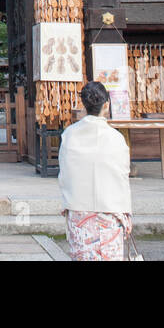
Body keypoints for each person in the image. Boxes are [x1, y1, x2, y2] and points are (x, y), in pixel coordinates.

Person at [58, 81, 133, 261]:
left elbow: (65, 173)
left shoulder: (69, 135)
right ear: (106, 105)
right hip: (110, 209)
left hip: (79, 210)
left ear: (84, 105)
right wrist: (126, 212)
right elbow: (122, 176)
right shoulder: (116, 138)